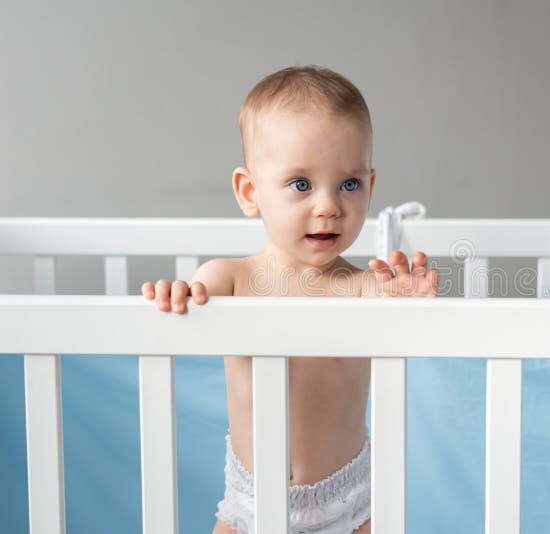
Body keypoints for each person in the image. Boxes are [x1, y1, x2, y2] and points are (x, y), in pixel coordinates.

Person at [140, 65, 438, 534]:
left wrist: (412, 300)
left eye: (349, 184)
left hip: (348, 501)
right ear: (250, 192)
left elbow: (413, 326)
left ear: (371, 187)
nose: (329, 206)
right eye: (302, 184)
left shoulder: (365, 288)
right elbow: (191, 305)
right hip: (249, 501)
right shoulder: (228, 278)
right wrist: (173, 297)